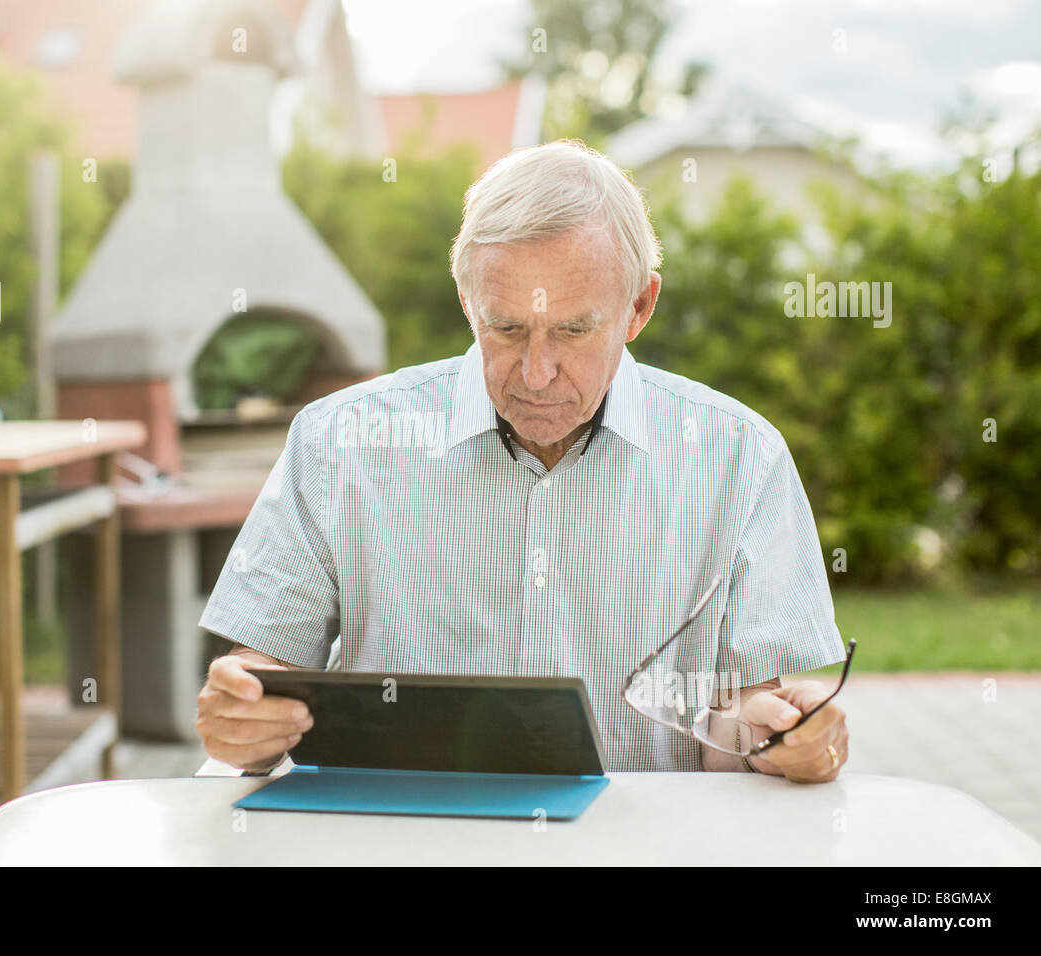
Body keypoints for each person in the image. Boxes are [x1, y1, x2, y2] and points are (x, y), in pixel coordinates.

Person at [195, 139, 849, 783]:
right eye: (506, 329)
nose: (536, 374)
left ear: (639, 307)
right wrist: (246, 727)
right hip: (401, 845)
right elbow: (264, 678)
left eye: (572, 330)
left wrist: (773, 736)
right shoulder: (339, 441)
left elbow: (737, 718)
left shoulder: (740, 456)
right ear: (467, 304)